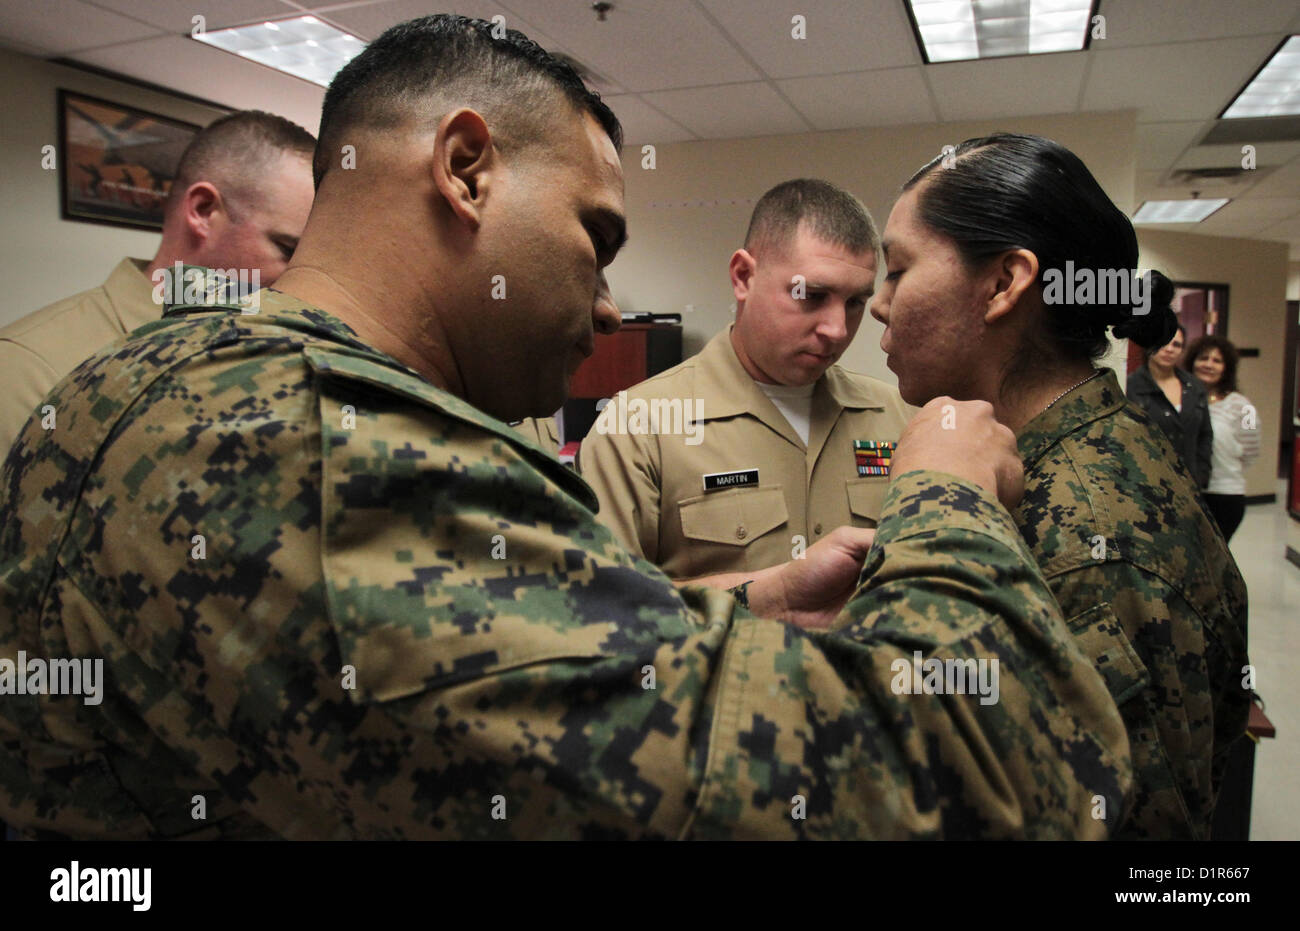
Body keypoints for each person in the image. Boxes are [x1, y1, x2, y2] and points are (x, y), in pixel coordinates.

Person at [0, 17, 1130, 840]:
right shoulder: (329, 449)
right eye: (594, 237)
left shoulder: (141, 375)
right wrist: (950, 503)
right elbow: (965, 786)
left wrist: (747, 603)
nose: (603, 307)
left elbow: (476, 648)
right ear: (465, 168)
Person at [870, 132, 1250, 840]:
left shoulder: (1088, 545)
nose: (878, 304)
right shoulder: (1069, 458)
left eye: (898, 269)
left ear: (1005, 282)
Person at [580, 180, 911, 579]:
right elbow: (608, 606)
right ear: (743, 277)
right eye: (812, 295)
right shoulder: (638, 427)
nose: (838, 330)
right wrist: (770, 595)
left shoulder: (895, 414)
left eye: (856, 302)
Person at [0, 110, 316, 454]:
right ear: (203, 210)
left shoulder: (279, 353)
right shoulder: (29, 369)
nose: (301, 277)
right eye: (287, 249)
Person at [1188, 335, 1259, 541]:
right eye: (1203, 358)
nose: (1209, 364)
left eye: (1217, 360)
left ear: (1226, 368)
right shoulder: (1182, 401)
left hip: (1225, 494)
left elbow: (1251, 451)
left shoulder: (1244, 407)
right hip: (1189, 492)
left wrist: (1227, 470)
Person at [1126, 326, 1213, 488]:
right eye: (1163, 343)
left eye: (1176, 345)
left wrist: (1202, 473)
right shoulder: (1131, 387)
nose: (1169, 349)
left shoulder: (1194, 386)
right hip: (1146, 483)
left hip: (1188, 483)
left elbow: (1205, 434)